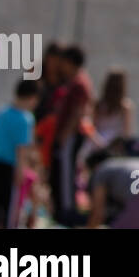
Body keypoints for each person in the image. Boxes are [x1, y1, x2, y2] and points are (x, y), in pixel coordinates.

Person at [0, 80, 39, 228]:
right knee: (10, 206)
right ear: (33, 98)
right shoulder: (26, 119)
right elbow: (22, 148)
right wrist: (21, 169)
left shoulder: (2, 113)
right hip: (12, 166)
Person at [50, 44, 93, 225]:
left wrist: (65, 135)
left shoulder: (79, 83)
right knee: (62, 171)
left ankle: (67, 209)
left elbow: (77, 112)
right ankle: (63, 207)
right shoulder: (75, 81)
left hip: (71, 136)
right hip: (68, 135)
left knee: (67, 172)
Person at [79, 68, 135, 164]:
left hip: (99, 144)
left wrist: (98, 141)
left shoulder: (99, 104)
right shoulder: (125, 106)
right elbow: (127, 134)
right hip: (107, 147)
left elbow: (89, 126)